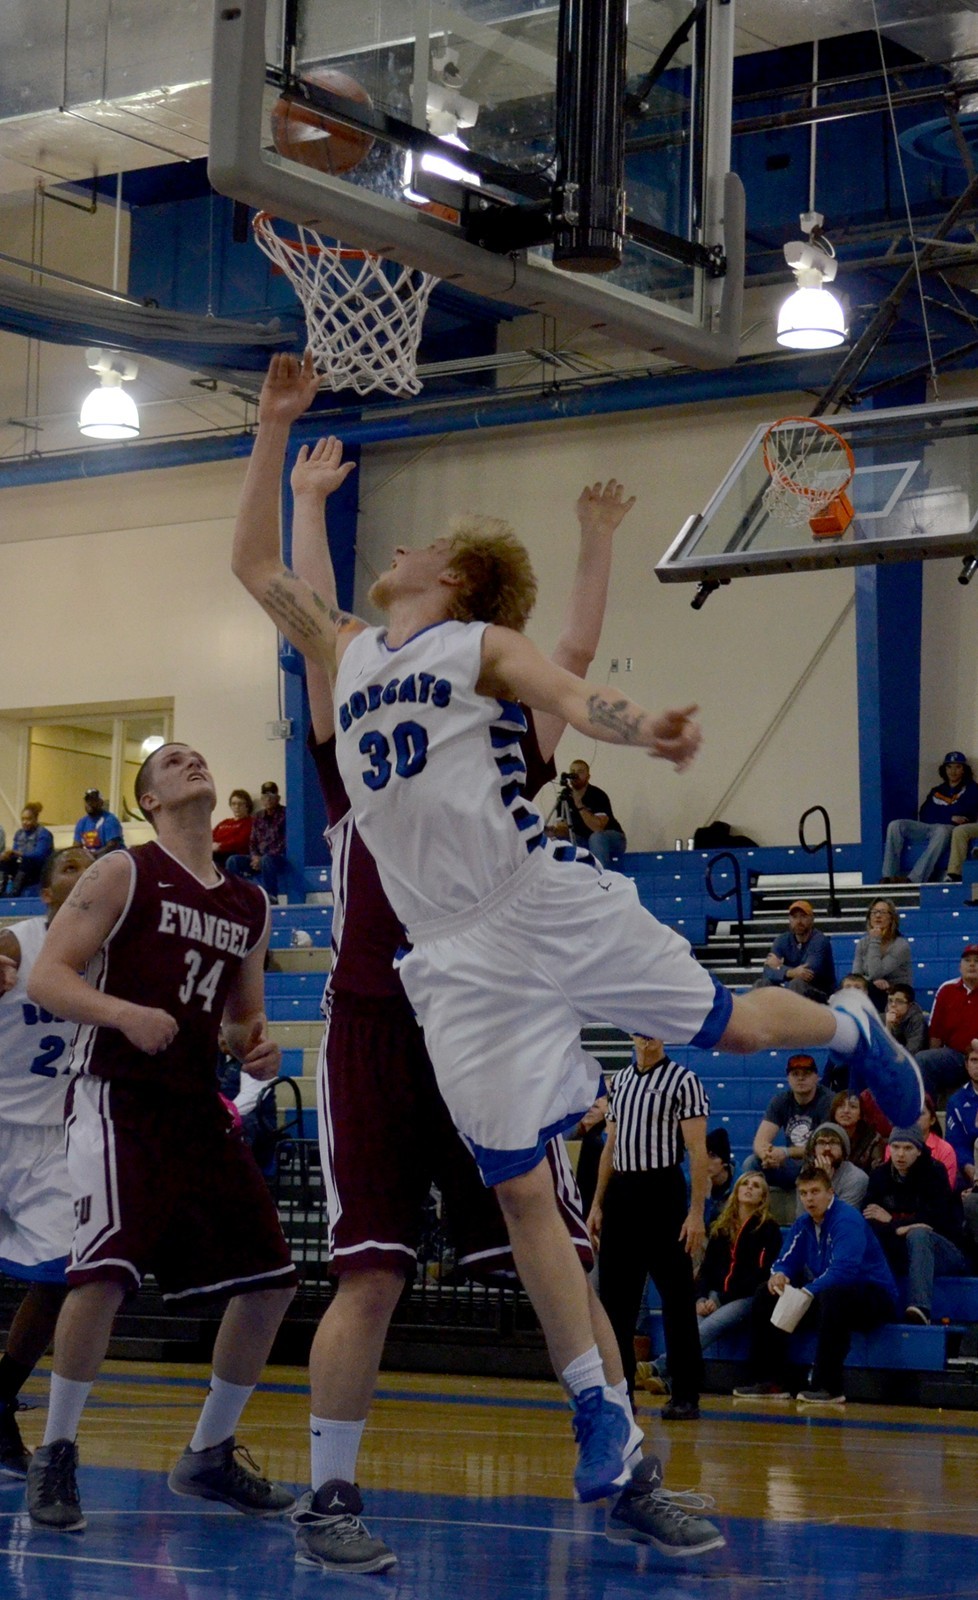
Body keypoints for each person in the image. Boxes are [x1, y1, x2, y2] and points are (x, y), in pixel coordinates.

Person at [231, 350, 923, 1514]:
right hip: (445, 962)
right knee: (513, 1191)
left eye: (419, 545)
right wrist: (270, 437)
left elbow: (575, 683)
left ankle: (852, 1023)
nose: (393, 547)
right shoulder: (348, 654)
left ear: (455, 581)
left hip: (538, 899)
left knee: (734, 1026)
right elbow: (258, 566)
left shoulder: (477, 649)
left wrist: (640, 724)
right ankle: (600, 1415)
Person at [235, 359, 722, 1566]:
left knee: (554, 1233)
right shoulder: (365, 710)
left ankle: (624, 1464)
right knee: (370, 1273)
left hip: (486, 1003)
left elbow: (568, 653)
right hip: (375, 1011)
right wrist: (298, 479)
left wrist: (594, 544)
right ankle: (331, 1498)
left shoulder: (499, 721)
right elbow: (307, 614)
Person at [24, 742, 298, 1532]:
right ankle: (57, 1452)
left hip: (191, 1104)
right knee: (103, 1271)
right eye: (173, 761)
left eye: (198, 756)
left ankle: (209, 1453)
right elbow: (49, 976)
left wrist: (256, 1043)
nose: (192, 762)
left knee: (273, 1280)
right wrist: (123, 1013)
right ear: (148, 799)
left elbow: (243, 1019)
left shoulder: (250, 903)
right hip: (115, 1095)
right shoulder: (122, 870)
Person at [0, 847, 93, 1476]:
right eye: (70, 865)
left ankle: (1, 1396)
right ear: (45, 894)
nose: (86, 870)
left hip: (57, 1139)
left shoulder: (118, 958)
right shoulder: (17, 940)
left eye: (97, 862)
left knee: (63, 1278)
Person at [588, 1036, 710, 1422]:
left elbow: (697, 1152)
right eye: (639, 1030)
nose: (645, 1037)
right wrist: (597, 1202)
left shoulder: (683, 1079)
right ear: (630, 1035)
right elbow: (610, 1146)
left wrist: (695, 1213)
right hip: (622, 1194)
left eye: (652, 1029)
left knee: (676, 1299)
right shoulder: (619, 1080)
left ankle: (686, 1393)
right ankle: (620, 1391)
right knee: (616, 1305)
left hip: (663, 1193)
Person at [732, 1165, 898, 1404]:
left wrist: (807, 1291)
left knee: (834, 1296)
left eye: (815, 1192)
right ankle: (771, 1381)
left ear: (830, 1192)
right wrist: (779, 1275)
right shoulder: (803, 1224)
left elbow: (844, 1271)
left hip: (874, 1296)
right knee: (767, 1294)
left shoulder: (847, 1220)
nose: (809, 1199)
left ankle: (829, 1387)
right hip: (828, 1293)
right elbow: (785, 1260)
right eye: (804, 1193)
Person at [863, 1127, 971, 1324]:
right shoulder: (879, 1176)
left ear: (919, 1150)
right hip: (901, 1251)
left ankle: (920, 1309)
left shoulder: (934, 1172)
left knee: (919, 1235)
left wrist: (892, 1221)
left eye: (908, 1148)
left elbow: (937, 1220)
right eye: (895, 1147)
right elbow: (869, 1219)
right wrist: (900, 1227)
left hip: (945, 1251)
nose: (901, 1154)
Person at [695, 1173, 783, 1353]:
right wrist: (701, 1298)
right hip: (715, 1295)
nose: (749, 1187)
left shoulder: (768, 1229)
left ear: (763, 1197)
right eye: (745, 1183)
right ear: (737, 1191)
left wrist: (721, 1298)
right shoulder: (720, 1227)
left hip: (746, 1297)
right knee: (693, 1327)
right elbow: (706, 1269)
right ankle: (676, 1379)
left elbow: (762, 1274)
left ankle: (658, 1367)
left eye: (756, 1186)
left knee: (710, 1326)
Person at [881, 752, 978, 885]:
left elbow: (964, 812)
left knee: (942, 831)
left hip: (950, 829)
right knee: (895, 825)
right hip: (930, 826)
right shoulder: (937, 790)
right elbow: (925, 813)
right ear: (944, 769)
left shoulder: (972, 789)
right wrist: (949, 816)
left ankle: (914, 879)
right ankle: (889, 876)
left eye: (957, 767)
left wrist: (941, 813)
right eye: (949, 767)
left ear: (964, 770)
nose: (953, 771)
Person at [745, 1053, 835, 1190]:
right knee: (751, 1162)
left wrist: (786, 1152)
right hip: (790, 1165)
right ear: (788, 1078)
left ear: (816, 1077)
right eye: (795, 1074)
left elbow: (823, 1148)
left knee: (816, 1163)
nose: (800, 1078)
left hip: (815, 1162)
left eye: (806, 1073)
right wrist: (767, 1156)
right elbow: (760, 1141)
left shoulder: (828, 1101)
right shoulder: (781, 1100)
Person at [917, 946, 978, 1098]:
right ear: (960, 966)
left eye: (977, 961)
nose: (972, 964)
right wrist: (935, 1053)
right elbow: (936, 1033)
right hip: (956, 1056)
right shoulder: (947, 990)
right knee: (924, 1060)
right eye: (967, 961)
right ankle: (927, 1113)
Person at [752, 900, 836, 1003]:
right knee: (762, 984)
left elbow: (808, 973)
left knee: (797, 984)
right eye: (794, 917)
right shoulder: (782, 940)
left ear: (812, 919)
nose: (798, 921)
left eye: (803, 916)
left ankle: (795, 1018)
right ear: (789, 920)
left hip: (820, 993)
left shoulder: (820, 941)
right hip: (794, 991)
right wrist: (790, 972)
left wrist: (779, 968)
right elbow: (768, 971)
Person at [550, 759, 626, 871]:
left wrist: (579, 805)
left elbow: (597, 828)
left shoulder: (597, 795)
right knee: (557, 841)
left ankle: (601, 880)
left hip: (611, 838)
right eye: (572, 771)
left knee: (596, 838)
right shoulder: (564, 799)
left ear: (588, 776)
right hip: (583, 840)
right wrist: (551, 831)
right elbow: (564, 830)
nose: (575, 774)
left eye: (580, 771)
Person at [226, 781, 287, 899]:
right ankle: (235, 897)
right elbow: (252, 841)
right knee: (233, 860)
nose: (268, 799)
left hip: (277, 858)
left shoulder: (285, 814)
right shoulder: (258, 816)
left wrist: (262, 859)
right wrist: (254, 857)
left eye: (271, 796)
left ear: (278, 798)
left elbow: (285, 842)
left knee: (267, 860)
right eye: (265, 796)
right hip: (258, 858)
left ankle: (271, 897)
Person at [852, 898, 912, 1011]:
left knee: (870, 989)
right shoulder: (862, 943)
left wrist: (875, 940)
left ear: (891, 918)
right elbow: (856, 976)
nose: (878, 916)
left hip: (896, 993)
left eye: (883, 912)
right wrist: (872, 981)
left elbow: (876, 973)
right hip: (871, 991)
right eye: (874, 912)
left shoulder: (900, 946)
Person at [946, 1043, 978, 1246]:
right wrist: (974, 1176)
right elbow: (957, 1145)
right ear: (966, 1065)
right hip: (972, 1177)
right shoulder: (957, 1101)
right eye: (974, 1061)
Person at [802, 1122, 869, 1210]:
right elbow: (803, 1215)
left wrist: (824, 1183)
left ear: (843, 1149)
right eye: (821, 1142)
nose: (827, 1148)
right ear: (813, 1149)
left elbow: (843, 1218)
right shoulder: (806, 1171)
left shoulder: (856, 1178)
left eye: (833, 1142)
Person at [0, 804, 54, 897]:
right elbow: (14, 853)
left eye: (28, 819)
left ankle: (14, 892)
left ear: (35, 819)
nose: (25, 822)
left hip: (38, 868)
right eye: (23, 819)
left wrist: (18, 853)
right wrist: (6, 855)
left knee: (27, 861)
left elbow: (39, 855)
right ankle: (1, 890)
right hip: (22, 867)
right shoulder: (19, 834)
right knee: (4, 862)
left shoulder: (43, 834)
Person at [829, 1091, 885, 1174]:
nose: (846, 1111)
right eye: (841, 1106)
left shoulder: (873, 1139)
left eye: (853, 1107)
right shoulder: (825, 1135)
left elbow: (877, 1172)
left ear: (860, 1114)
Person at [71, 789, 124, 857]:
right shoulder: (82, 822)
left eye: (93, 801)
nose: (90, 803)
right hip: (90, 859)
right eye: (87, 801)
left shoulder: (110, 820)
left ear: (101, 803)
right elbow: (76, 847)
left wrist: (93, 855)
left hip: (111, 859)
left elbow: (112, 846)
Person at [212, 788, 254, 868]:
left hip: (233, 854)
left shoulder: (250, 822)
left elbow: (241, 841)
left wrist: (220, 846)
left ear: (247, 806)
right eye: (233, 804)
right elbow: (210, 836)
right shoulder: (225, 822)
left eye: (240, 804)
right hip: (215, 852)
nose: (236, 807)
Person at [884, 983, 928, 1058]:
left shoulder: (917, 1020)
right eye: (890, 1001)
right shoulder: (883, 1018)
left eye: (899, 1001)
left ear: (909, 1005)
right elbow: (880, 1050)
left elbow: (912, 1051)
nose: (893, 1005)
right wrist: (888, 1026)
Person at [704, 1127, 735, 1229]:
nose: (706, 1161)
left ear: (725, 1162)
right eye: (704, 1155)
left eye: (712, 1156)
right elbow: (696, 1226)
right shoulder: (690, 1183)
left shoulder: (741, 1184)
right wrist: (705, 1197)